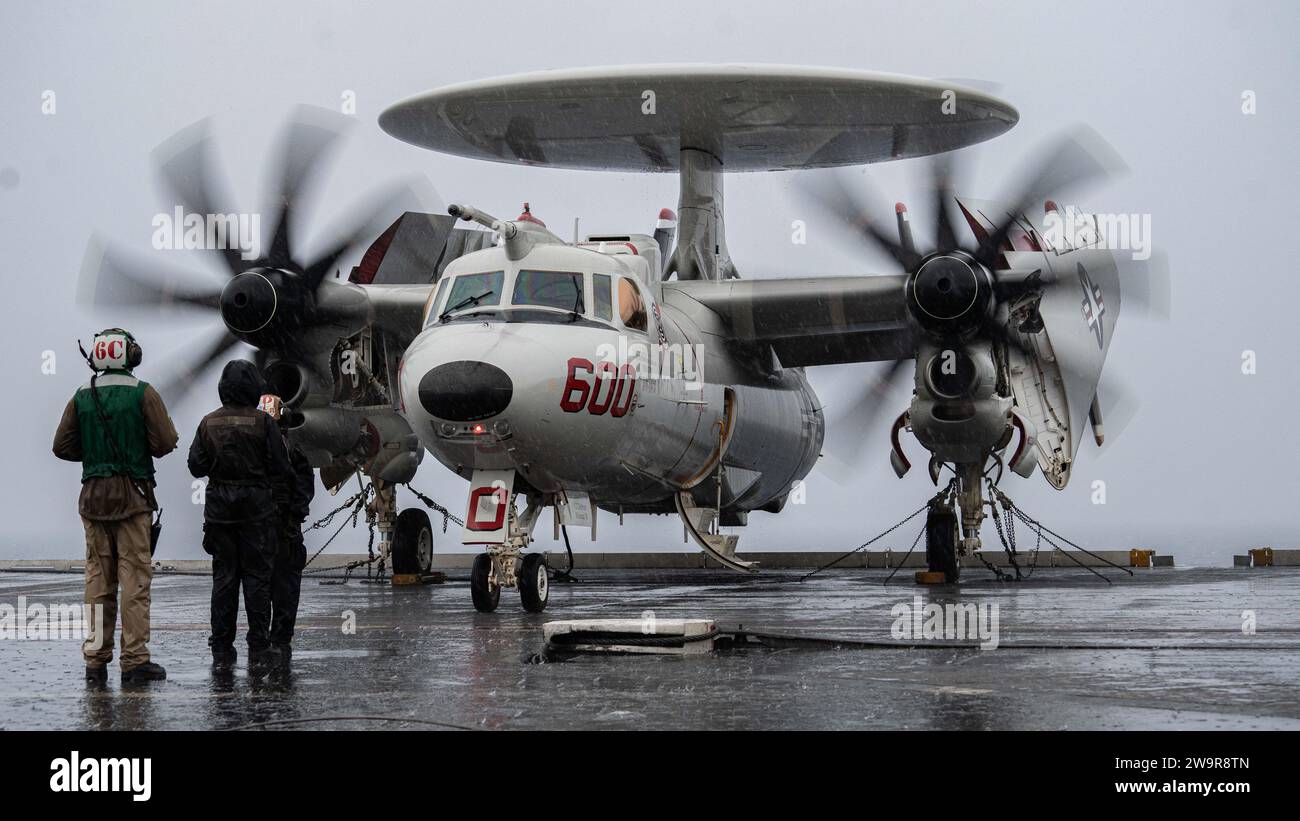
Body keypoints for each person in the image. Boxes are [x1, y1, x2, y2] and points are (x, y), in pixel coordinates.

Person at [52, 328, 178, 684]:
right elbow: (165, 442)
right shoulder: (143, 392)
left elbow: (61, 446)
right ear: (130, 355)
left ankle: (95, 660)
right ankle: (135, 660)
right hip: (133, 498)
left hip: (92, 498)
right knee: (134, 581)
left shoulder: (80, 395)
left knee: (97, 582)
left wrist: (95, 458)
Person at [187, 360, 293, 671]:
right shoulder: (264, 423)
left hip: (220, 512)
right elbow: (282, 468)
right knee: (257, 580)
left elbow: (196, 466)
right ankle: (258, 644)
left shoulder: (208, 423)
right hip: (257, 512)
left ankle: (221, 644)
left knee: (224, 580)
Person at [256, 393, 315, 659]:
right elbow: (304, 490)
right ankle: (280, 639)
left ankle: (261, 639)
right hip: (283, 529)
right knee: (285, 587)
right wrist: (293, 516)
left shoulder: (252, 449)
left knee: (259, 587)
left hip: (259, 529)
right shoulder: (292, 451)